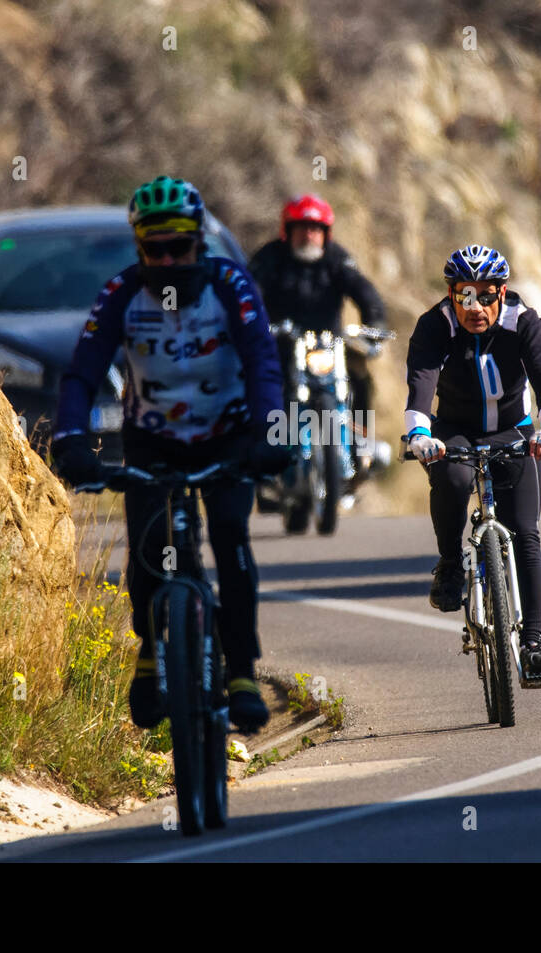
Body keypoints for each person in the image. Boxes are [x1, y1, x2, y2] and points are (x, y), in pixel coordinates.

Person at [51, 175, 292, 732]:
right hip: (152, 439)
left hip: (229, 433)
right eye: (153, 248)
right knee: (149, 552)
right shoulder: (120, 294)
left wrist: (270, 432)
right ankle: (150, 650)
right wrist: (70, 440)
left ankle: (241, 672)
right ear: (139, 247)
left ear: (199, 242)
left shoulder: (231, 283)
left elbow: (262, 363)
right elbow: (83, 371)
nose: (166, 259)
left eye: (178, 246)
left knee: (231, 538)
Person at [404, 244, 541, 684]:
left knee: (526, 533)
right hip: (454, 431)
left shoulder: (524, 321)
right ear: (452, 295)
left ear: (502, 292)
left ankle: (533, 643)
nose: (476, 307)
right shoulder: (434, 325)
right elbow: (420, 384)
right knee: (453, 480)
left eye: (487, 295)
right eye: (464, 295)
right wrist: (419, 434)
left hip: (515, 431)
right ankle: (451, 562)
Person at [249, 194, 387, 428]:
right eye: (301, 228)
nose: (308, 235)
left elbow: (364, 291)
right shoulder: (269, 258)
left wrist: (374, 324)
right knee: (257, 380)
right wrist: (252, 326)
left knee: (359, 370)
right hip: (281, 343)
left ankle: (362, 436)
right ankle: (264, 438)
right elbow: (250, 294)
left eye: (315, 228)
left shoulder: (336, 258)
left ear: (326, 233)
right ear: (287, 231)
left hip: (331, 344)